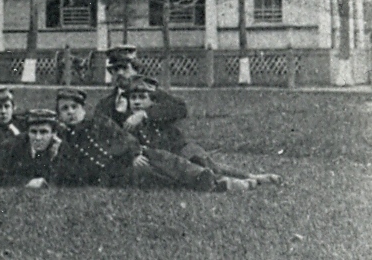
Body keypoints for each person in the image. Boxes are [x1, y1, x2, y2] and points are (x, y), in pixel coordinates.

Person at [53, 87, 245, 192]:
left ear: (82, 109)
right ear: (59, 115)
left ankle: (206, 176)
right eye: (65, 109)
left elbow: (122, 136)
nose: (70, 112)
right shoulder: (63, 138)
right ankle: (216, 185)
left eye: (74, 107)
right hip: (115, 172)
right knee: (156, 179)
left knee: (166, 160)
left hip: (133, 154)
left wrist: (134, 154)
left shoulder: (97, 122)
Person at [124, 76, 279, 186]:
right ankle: (228, 182)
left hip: (178, 152)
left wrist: (145, 114)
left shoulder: (157, 114)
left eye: (142, 97)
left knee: (204, 160)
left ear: (152, 100)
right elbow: (122, 140)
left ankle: (251, 177)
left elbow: (179, 107)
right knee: (190, 170)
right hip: (163, 163)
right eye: (133, 98)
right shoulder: (127, 121)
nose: (137, 101)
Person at [95, 45, 188, 133]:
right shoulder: (104, 104)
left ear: (136, 69)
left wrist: (144, 114)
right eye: (115, 69)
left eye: (124, 68)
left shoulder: (151, 93)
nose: (120, 73)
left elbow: (180, 108)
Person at [0, 109, 63, 188]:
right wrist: (26, 183)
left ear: (53, 133)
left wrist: (54, 158)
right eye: (33, 132)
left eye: (43, 132)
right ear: (27, 132)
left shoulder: (61, 148)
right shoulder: (10, 147)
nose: (38, 137)